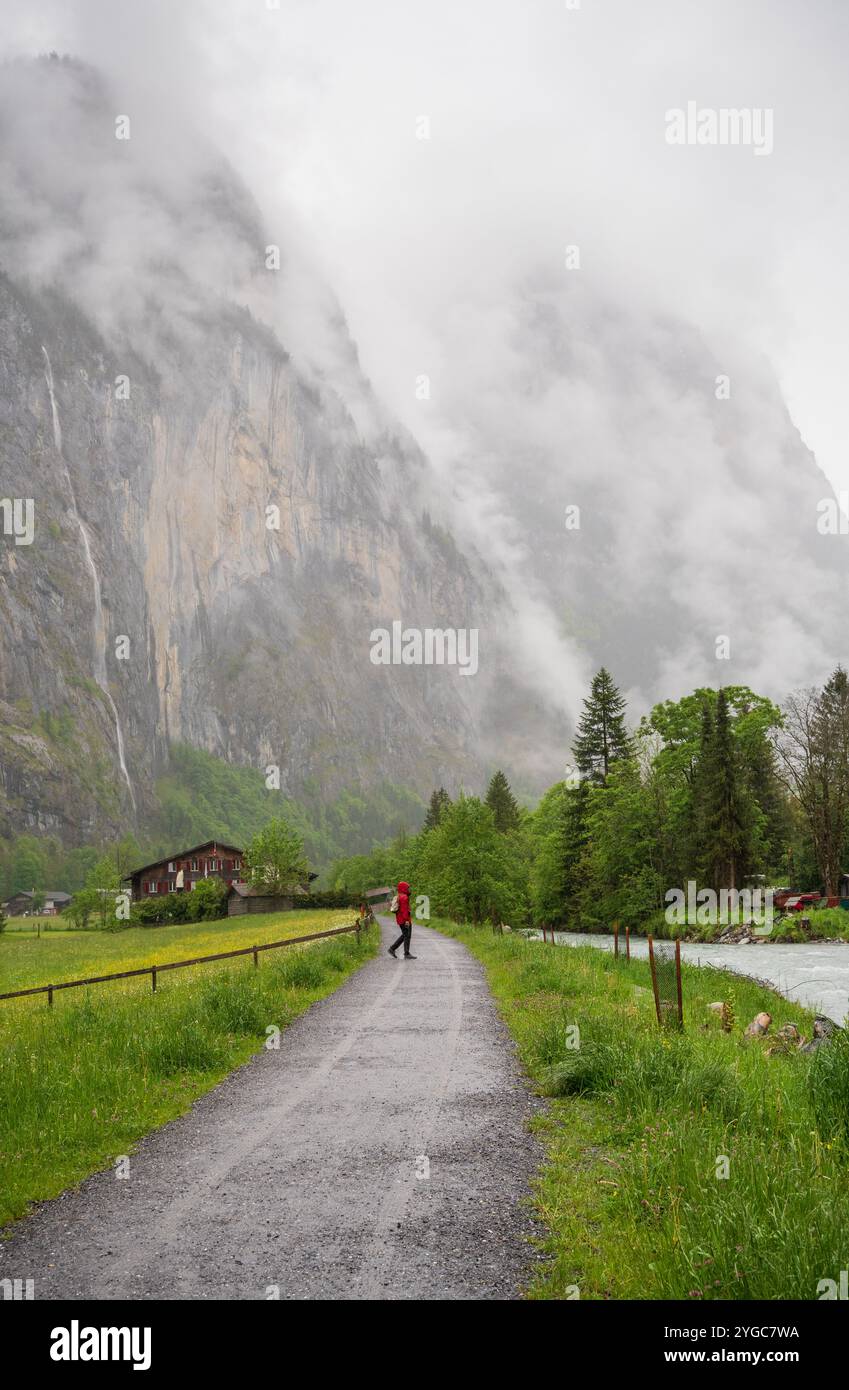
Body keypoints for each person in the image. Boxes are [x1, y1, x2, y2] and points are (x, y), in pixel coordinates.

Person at [388, 880, 416, 959]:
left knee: (405, 935)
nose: (408, 890)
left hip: (400, 919)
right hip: (404, 920)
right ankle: (405, 953)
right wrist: (407, 920)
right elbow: (405, 910)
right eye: (407, 888)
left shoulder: (399, 896)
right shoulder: (404, 897)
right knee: (407, 935)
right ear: (403, 888)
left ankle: (393, 949)